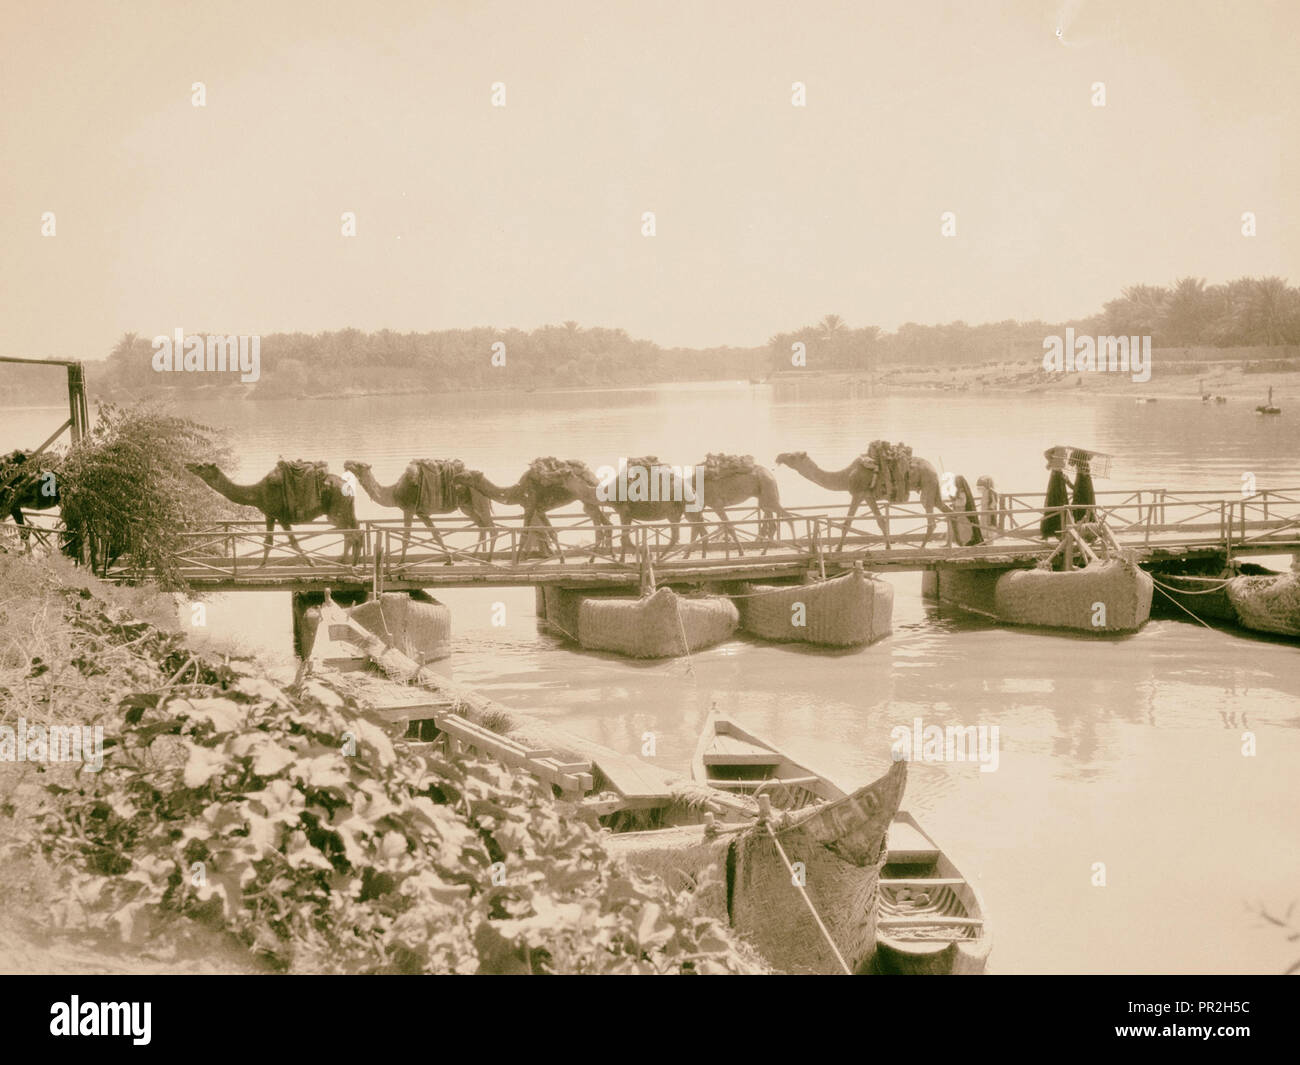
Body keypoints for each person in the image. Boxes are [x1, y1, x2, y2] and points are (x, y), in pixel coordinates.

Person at [1040, 447, 1070, 539]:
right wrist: (1050, 461)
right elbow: (1046, 453)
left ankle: (1054, 531)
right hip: (1057, 478)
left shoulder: (1059, 454)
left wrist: (1050, 461)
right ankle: (1057, 531)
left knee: (1055, 503)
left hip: (1057, 477)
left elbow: (1046, 453)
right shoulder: (1060, 452)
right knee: (1057, 502)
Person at [1070, 451, 1096, 524]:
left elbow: (1076, 489)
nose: (1077, 469)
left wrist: (1068, 481)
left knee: (1079, 514)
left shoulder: (1081, 476)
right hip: (1087, 505)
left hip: (1081, 507)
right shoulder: (1087, 477)